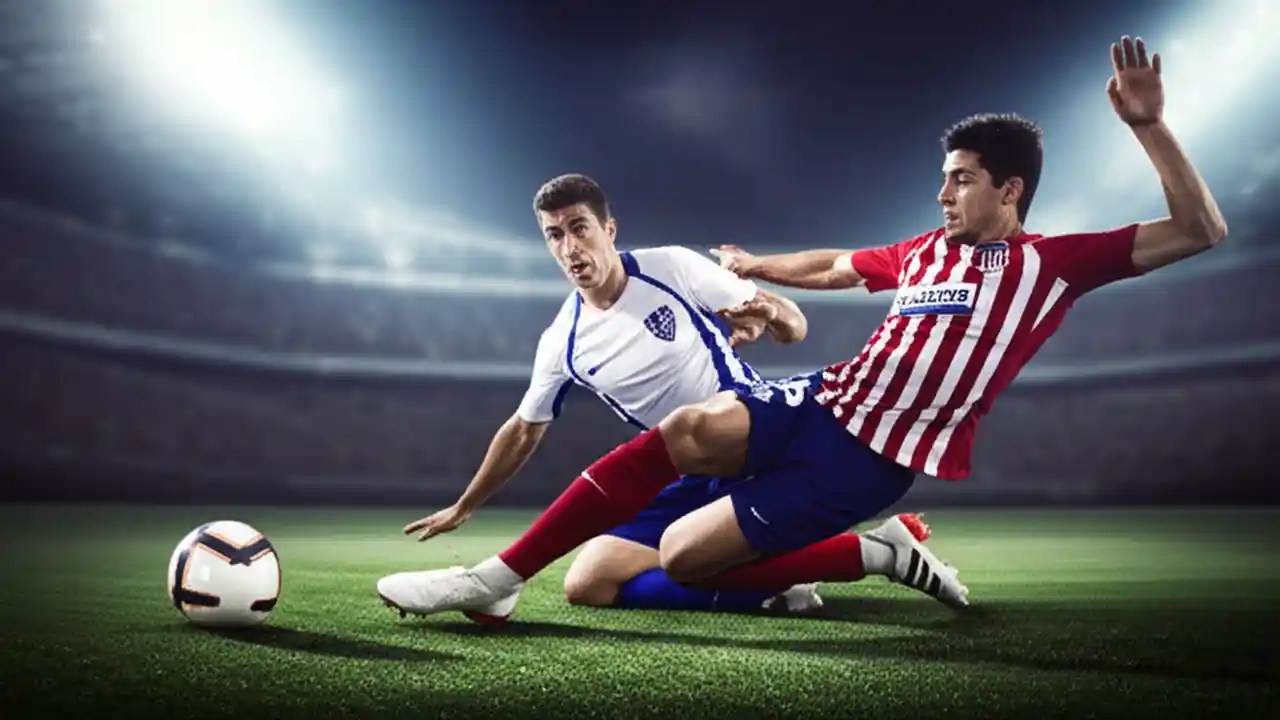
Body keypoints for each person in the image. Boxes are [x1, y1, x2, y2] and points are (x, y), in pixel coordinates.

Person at [377, 36, 1225, 620]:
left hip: (877, 454)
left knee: (685, 558)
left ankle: (879, 554)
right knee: (685, 431)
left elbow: (1199, 229)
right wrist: (758, 267)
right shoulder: (925, 250)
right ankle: (494, 578)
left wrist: (1149, 127)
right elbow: (835, 266)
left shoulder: (1054, 263)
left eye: (961, 180)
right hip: (822, 399)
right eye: (943, 178)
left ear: (1010, 190)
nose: (942, 194)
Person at [383, 173, 837, 623]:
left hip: (754, 446)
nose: (569, 247)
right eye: (554, 235)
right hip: (690, 473)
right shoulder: (563, 342)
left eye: (579, 228)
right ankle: (770, 588)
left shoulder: (671, 267)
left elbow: (794, 326)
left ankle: (827, 553)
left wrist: (772, 315)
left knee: (696, 543)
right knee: (588, 584)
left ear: (609, 230)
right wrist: (466, 505)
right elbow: (523, 429)